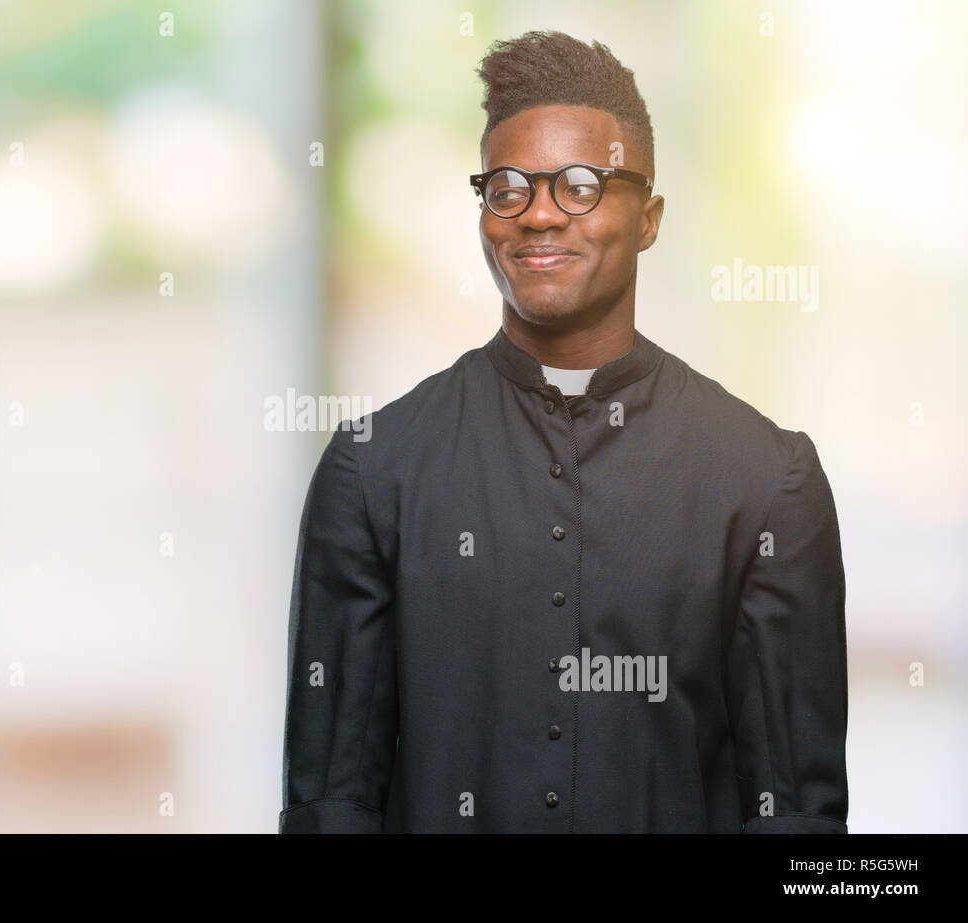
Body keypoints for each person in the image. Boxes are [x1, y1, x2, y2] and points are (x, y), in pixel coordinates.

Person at [278, 30, 848, 833]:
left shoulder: (766, 479)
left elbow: (799, 819)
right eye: (507, 188)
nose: (539, 213)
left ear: (648, 218)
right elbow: (330, 806)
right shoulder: (373, 470)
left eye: (580, 184)